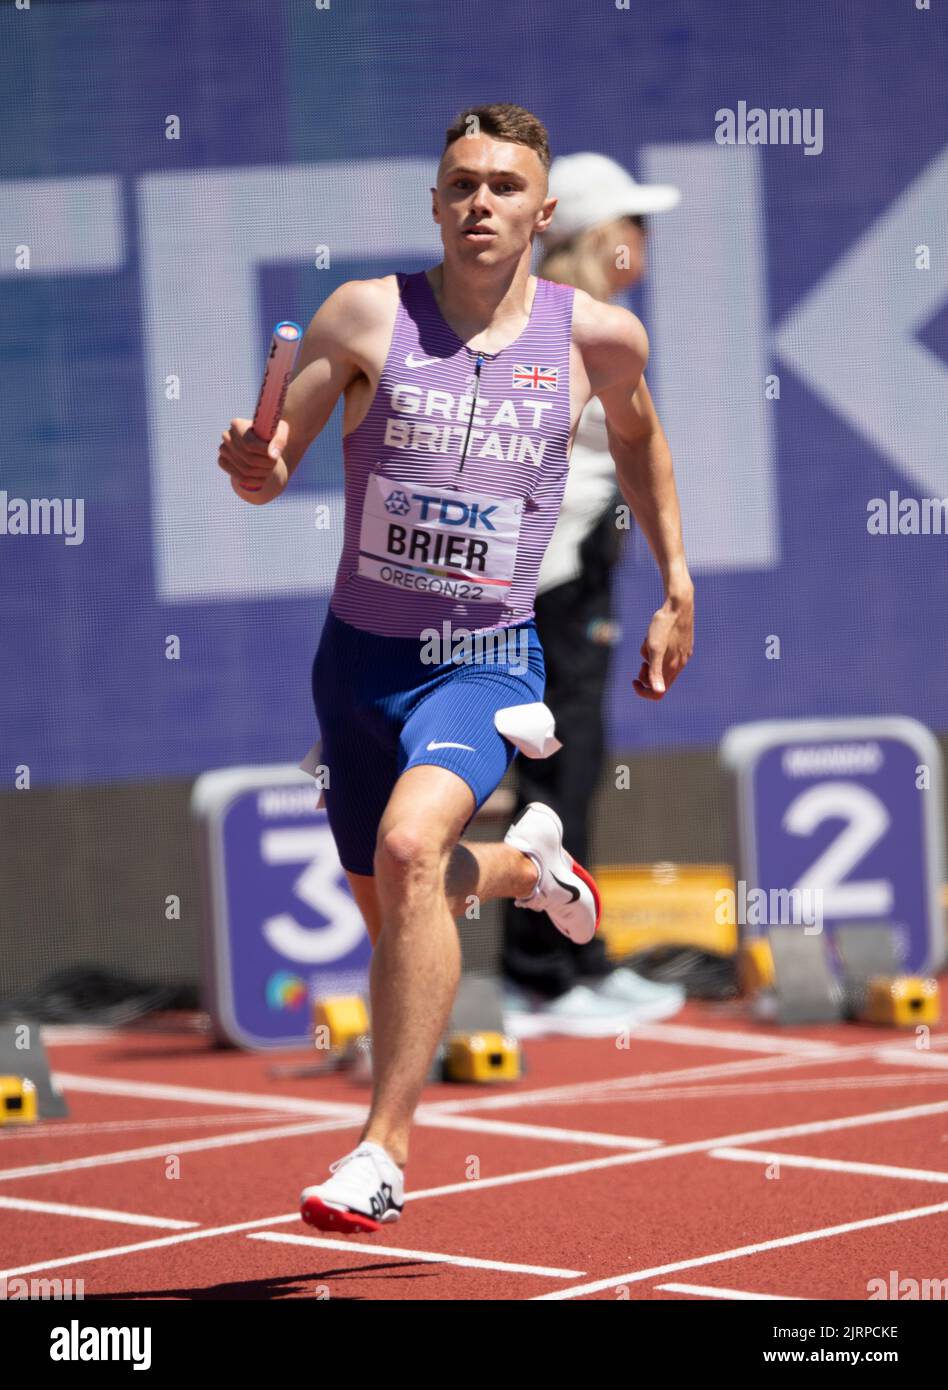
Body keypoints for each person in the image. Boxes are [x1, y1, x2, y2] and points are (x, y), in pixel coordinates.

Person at [217, 103, 694, 1234]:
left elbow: (639, 438)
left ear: (544, 211)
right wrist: (253, 462)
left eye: (505, 186)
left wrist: (678, 581)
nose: (482, 202)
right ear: (437, 202)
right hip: (358, 662)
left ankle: (383, 1150)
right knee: (396, 902)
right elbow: (273, 463)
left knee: (409, 844)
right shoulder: (365, 316)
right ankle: (530, 870)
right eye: (463, 184)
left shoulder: (597, 339)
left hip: (483, 660)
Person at [502, 153, 687, 1037]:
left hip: (576, 574)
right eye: (633, 226)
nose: (644, 243)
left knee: (571, 764)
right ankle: (543, 971)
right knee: (555, 770)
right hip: (542, 586)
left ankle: (564, 960)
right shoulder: (546, 327)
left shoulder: (591, 326)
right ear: (591, 235)